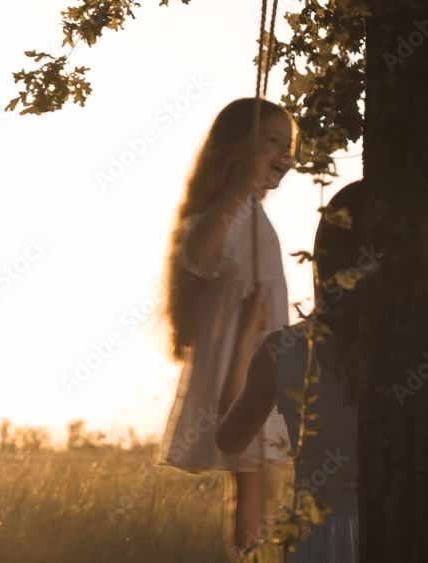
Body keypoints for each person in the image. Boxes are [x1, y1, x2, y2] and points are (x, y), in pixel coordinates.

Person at [157, 97, 297, 558]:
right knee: (254, 477)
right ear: (235, 149)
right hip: (240, 358)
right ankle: (251, 554)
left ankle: (254, 554)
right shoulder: (228, 209)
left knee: (261, 478)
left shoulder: (251, 212)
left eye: (288, 145)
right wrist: (239, 188)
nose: (285, 154)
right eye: (271, 142)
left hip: (261, 355)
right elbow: (197, 256)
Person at [215, 179, 369, 562]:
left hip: (316, 538)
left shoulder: (282, 351)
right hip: (399, 530)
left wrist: (241, 342)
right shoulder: (415, 353)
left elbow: (228, 439)